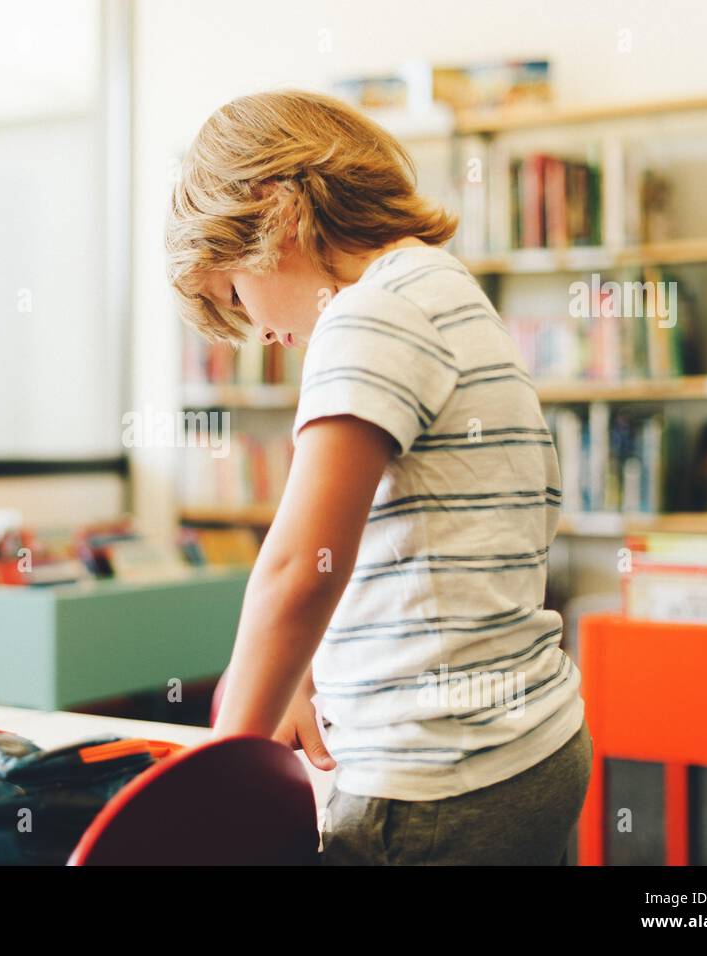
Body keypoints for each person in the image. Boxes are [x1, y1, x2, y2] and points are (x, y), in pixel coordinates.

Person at [165, 90, 591, 865]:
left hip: (432, 780)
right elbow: (398, 546)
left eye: (235, 292)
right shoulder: (444, 288)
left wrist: (219, 774)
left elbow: (298, 569)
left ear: (276, 208)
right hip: (528, 743)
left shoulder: (366, 315)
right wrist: (302, 670)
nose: (259, 330)